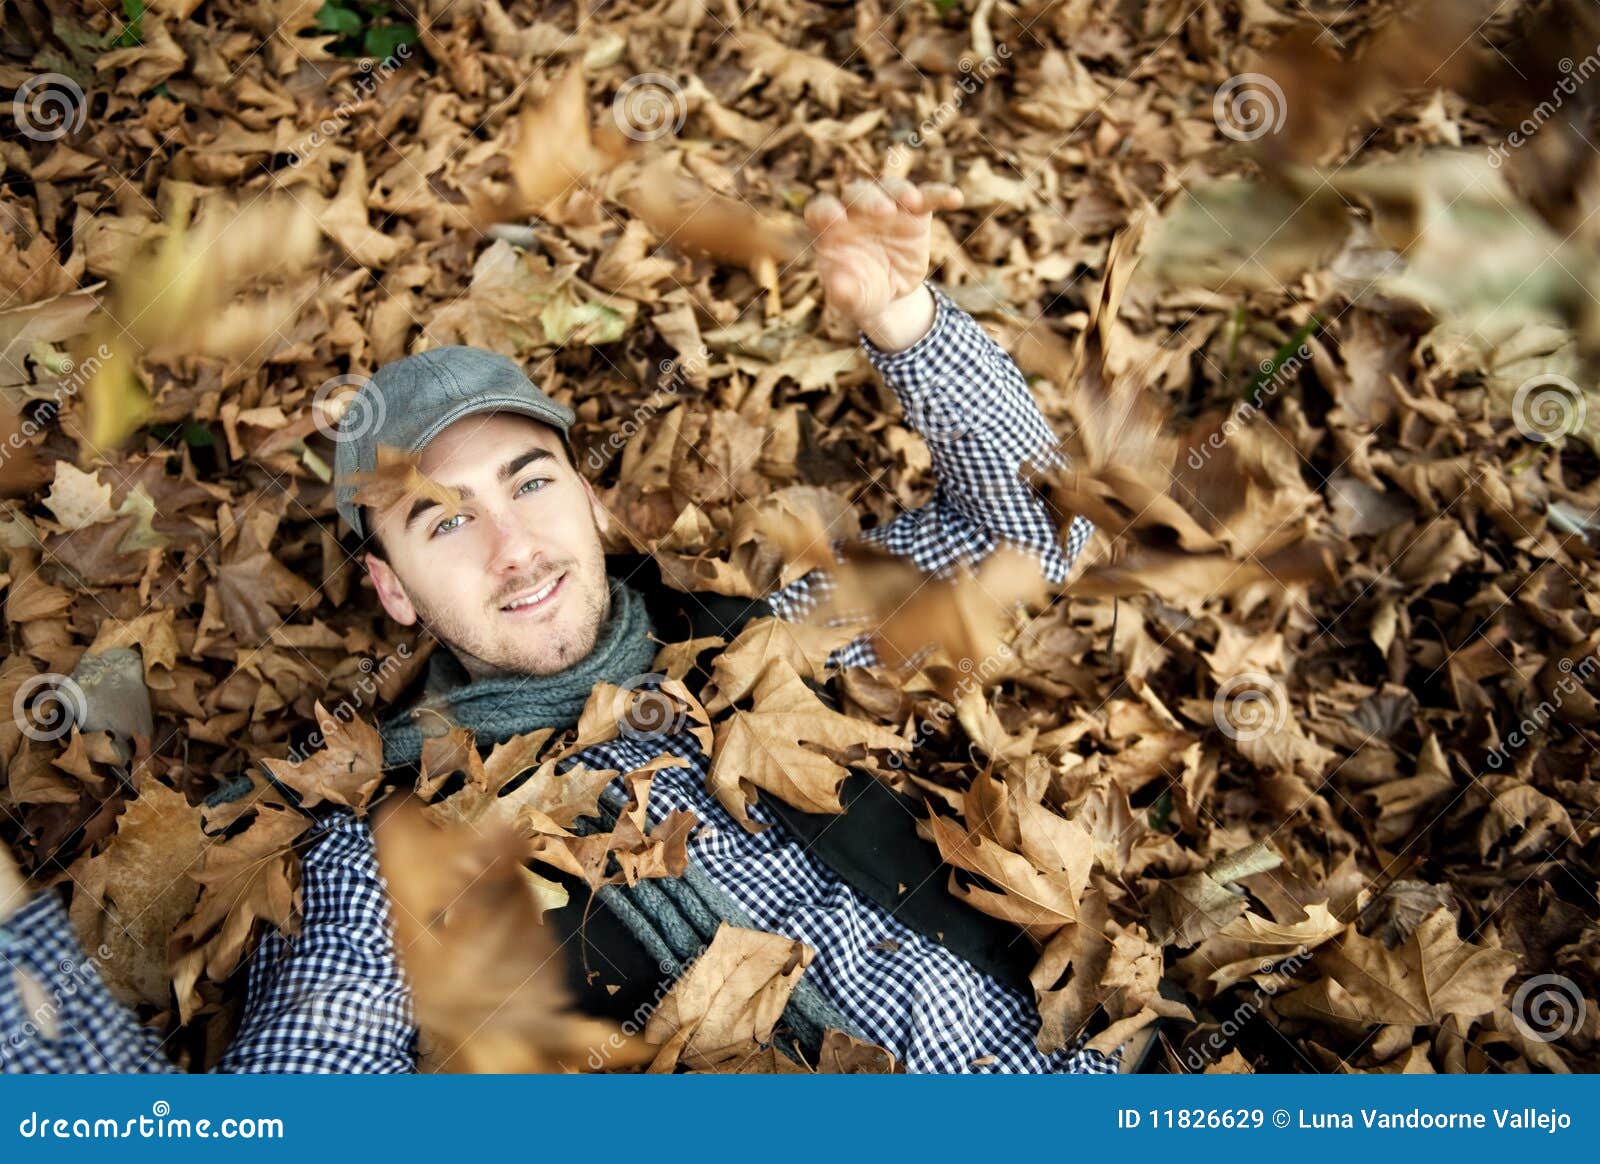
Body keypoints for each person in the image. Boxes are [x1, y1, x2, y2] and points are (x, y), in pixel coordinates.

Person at [1, 177, 1109, 1073]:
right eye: (444, 521)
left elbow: (1037, 529)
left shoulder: (760, 640)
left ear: (590, 499)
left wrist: (904, 323)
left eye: (530, 484)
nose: (515, 548)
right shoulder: (386, 858)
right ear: (393, 590)